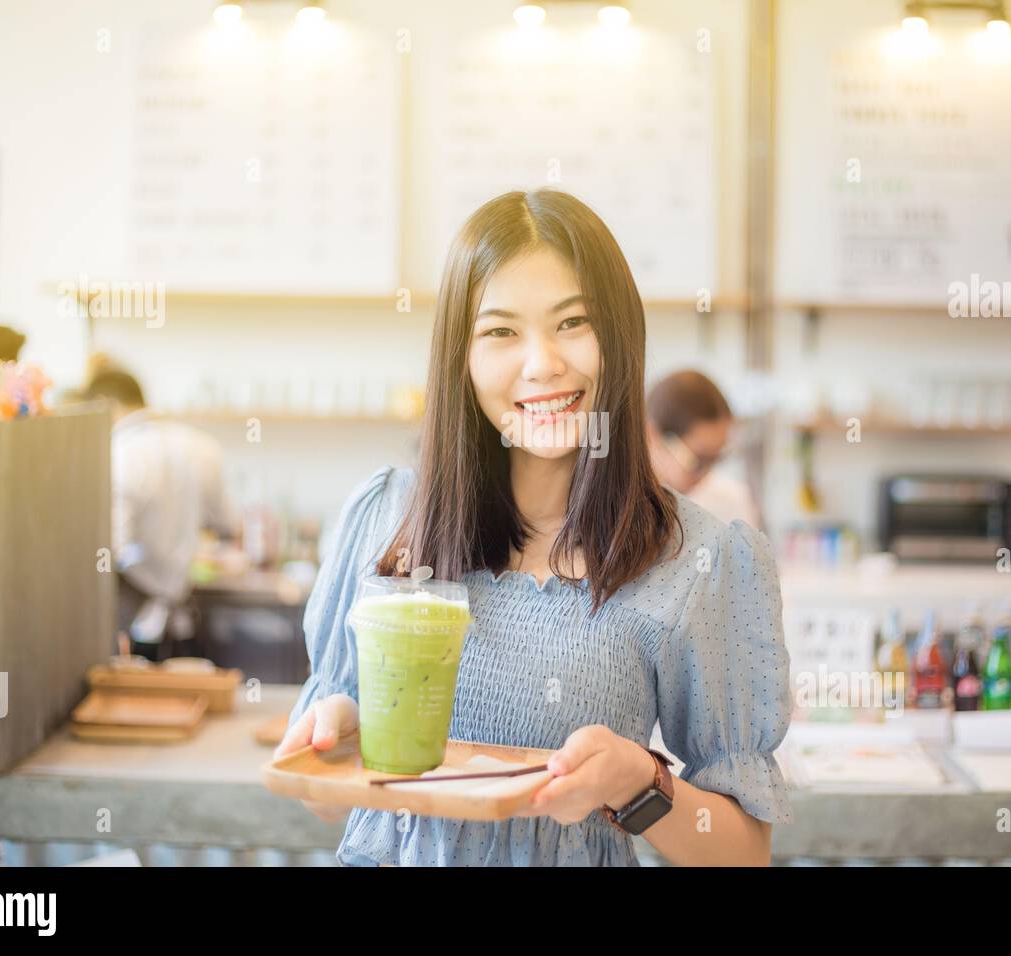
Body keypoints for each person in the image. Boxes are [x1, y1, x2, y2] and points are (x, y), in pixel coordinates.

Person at [276, 189, 792, 867]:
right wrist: (337, 746)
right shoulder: (386, 520)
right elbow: (327, 800)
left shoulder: (697, 560)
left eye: (572, 322)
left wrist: (641, 782)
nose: (542, 363)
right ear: (460, 357)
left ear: (620, 336)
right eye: (500, 331)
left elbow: (743, 853)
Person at [84, 367, 237, 661]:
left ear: (106, 404)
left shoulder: (116, 452)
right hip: (183, 611)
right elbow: (226, 523)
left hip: (130, 618)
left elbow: (118, 549)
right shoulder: (198, 445)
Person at [646, 369, 764, 530]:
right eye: (700, 460)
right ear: (654, 436)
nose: (706, 473)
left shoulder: (731, 502)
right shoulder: (622, 507)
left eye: (718, 458)